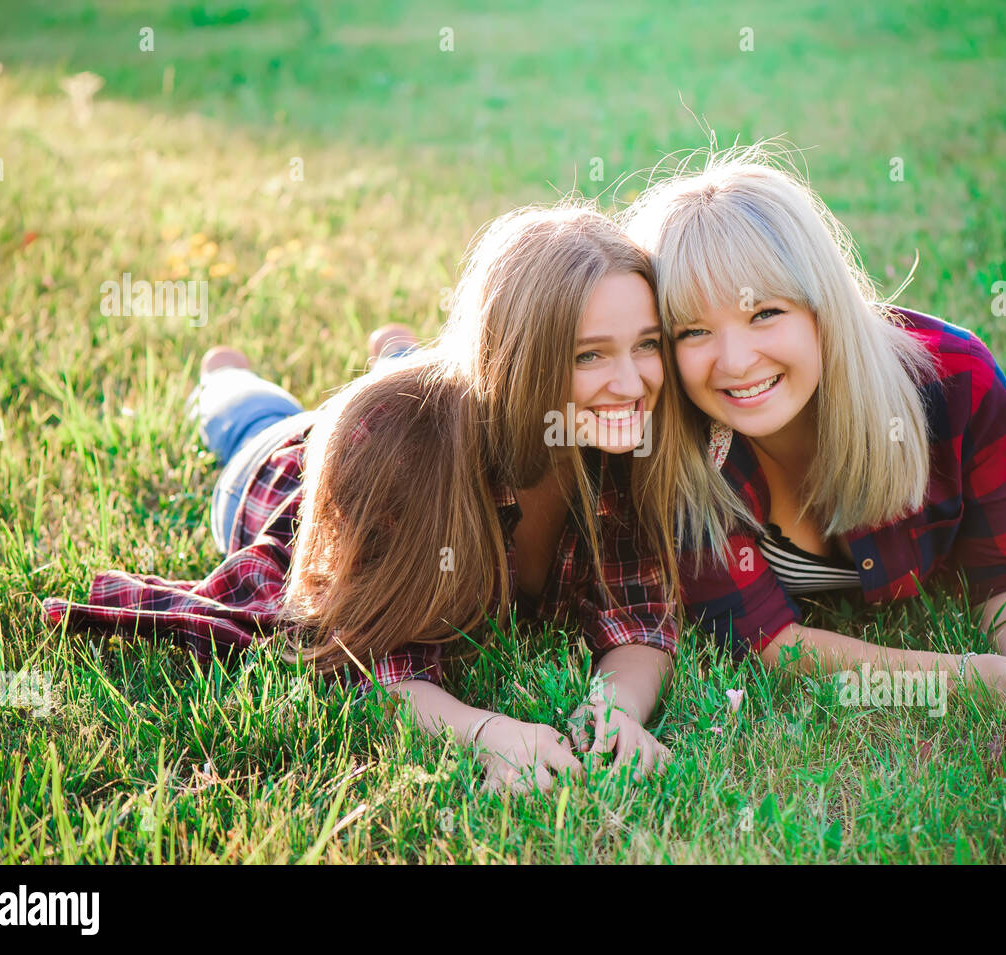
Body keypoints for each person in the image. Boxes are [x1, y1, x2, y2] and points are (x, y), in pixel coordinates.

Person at [43, 203, 693, 794]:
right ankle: (228, 374)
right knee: (251, 415)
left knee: (416, 386)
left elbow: (641, 615)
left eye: (646, 345)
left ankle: (398, 352)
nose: (633, 381)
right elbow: (372, 658)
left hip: (439, 409)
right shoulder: (394, 456)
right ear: (517, 360)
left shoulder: (626, 444)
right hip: (289, 473)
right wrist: (486, 729)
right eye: (590, 355)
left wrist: (614, 711)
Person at [622, 147, 1006, 714]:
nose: (736, 361)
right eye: (693, 330)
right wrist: (966, 678)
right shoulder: (676, 449)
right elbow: (767, 644)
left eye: (765, 314)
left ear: (825, 305)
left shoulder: (957, 381)